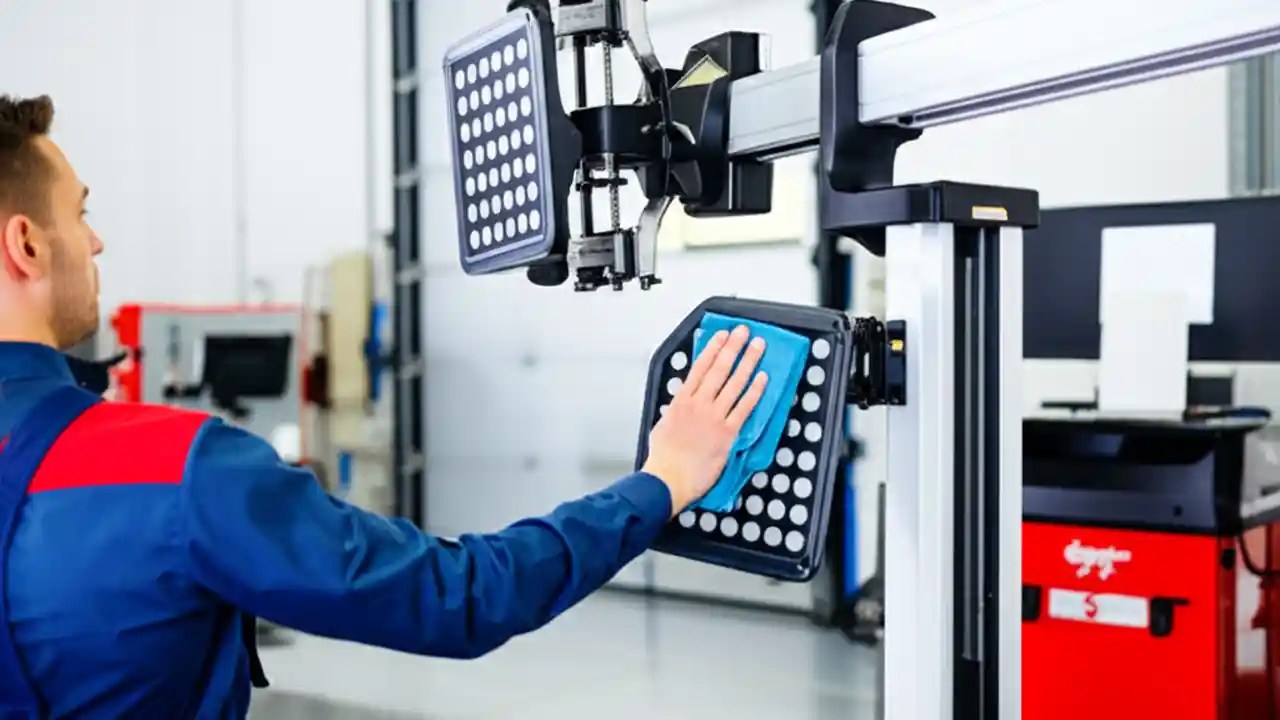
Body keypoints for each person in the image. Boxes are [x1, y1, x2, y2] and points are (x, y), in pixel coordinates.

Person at [0, 94, 771, 718]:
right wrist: (660, 481)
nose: (95, 244)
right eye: (81, 213)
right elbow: (460, 597)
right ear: (27, 244)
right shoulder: (178, 470)